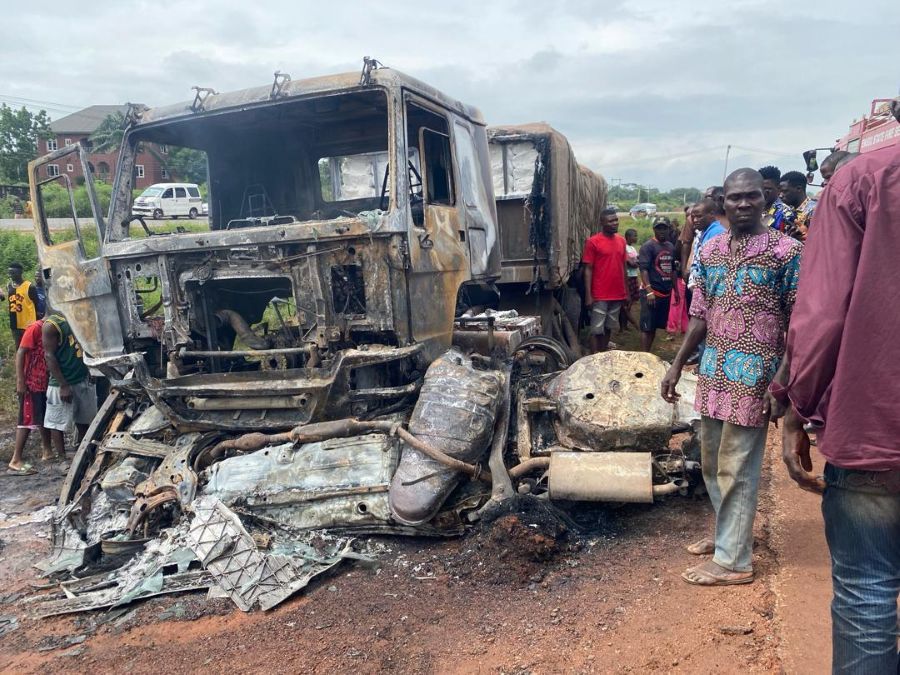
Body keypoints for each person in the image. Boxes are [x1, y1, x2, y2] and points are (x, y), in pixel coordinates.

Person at [775, 113, 900, 673]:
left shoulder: (862, 181)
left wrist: (797, 405)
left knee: (867, 596)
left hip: (875, 426)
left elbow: (820, 317)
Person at [660, 168, 802, 586]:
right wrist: (676, 363)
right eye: (735, 197)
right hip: (714, 371)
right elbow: (700, 314)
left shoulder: (787, 251)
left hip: (756, 376)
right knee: (711, 463)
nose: (743, 203)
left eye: (752, 196)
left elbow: (799, 324)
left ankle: (734, 561)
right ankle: (730, 534)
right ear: (724, 200)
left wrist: (783, 382)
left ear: (765, 199)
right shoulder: (712, 249)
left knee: (737, 466)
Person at [42, 312, 98, 457]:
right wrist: (63, 385)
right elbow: (49, 355)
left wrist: (91, 370)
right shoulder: (52, 325)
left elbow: (86, 346)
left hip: (82, 377)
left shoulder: (77, 317)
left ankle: (83, 452)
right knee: (57, 422)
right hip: (63, 381)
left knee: (85, 419)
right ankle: (62, 457)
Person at [9, 317, 52, 474]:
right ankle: (16, 459)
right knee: (27, 419)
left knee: (41, 415)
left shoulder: (49, 328)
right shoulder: (35, 328)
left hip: (41, 381)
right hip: (30, 382)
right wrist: (21, 381)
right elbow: (21, 352)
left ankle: (47, 451)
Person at [582, 208, 628, 353]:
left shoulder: (621, 241)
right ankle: (594, 357)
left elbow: (623, 266)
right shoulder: (593, 242)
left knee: (609, 327)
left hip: (617, 293)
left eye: (616, 220)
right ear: (602, 223)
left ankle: (603, 355)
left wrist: (627, 292)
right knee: (597, 329)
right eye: (611, 221)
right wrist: (589, 295)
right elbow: (588, 269)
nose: (615, 223)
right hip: (600, 294)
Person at [638, 220, 676, 352]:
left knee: (654, 326)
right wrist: (649, 291)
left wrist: (675, 291)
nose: (662, 231)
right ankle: (643, 355)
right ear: (654, 230)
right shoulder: (648, 247)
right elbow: (643, 270)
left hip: (665, 293)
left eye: (664, 228)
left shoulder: (671, 247)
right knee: (647, 326)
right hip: (652, 293)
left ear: (668, 229)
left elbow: (673, 270)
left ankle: (647, 353)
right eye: (659, 228)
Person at [7, 262, 38, 349]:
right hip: (14, 324)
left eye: (13, 273)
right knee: (19, 348)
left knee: (31, 348)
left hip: (28, 324)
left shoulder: (30, 287)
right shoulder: (9, 286)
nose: (10, 275)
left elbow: (36, 304)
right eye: (9, 273)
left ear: (20, 272)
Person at [779, 171, 815, 241]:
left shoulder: (814, 210)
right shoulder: (787, 211)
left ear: (799, 189)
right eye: (780, 192)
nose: (780, 195)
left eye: (785, 191)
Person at [620, 228, 641, 332]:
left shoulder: (632, 248)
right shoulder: (624, 248)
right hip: (627, 277)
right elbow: (631, 263)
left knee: (629, 304)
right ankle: (637, 326)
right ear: (628, 237)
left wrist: (636, 263)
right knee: (625, 304)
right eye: (635, 236)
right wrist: (636, 263)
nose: (636, 237)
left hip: (633, 276)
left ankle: (624, 327)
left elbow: (637, 261)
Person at [759, 166, 789, 231]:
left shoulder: (785, 213)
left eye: (767, 189)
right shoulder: (754, 210)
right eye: (760, 189)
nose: (763, 193)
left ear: (778, 189)